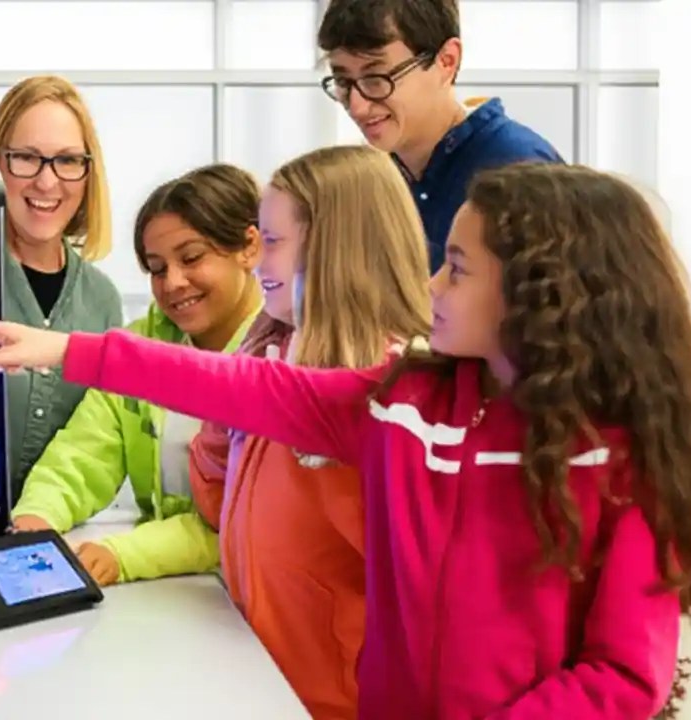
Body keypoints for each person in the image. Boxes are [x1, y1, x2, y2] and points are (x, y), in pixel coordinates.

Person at [0, 163, 691, 718]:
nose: (434, 285)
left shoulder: (631, 462)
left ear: (542, 293)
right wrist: (68, 351)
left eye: (459, 269)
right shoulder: (398, 402)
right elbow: (230, 386)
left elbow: (624, 673)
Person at [188, 145, 430, 719]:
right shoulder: (277, 358)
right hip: (271, 684)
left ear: (334, 251)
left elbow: (415, 594)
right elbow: (218, 501)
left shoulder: (388, 398)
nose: (254, 263)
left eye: (272, 243)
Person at [9, 163, 265, 586]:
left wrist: (122, 555)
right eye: (157, 268)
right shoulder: (139, 345)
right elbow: (83, 453)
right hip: (173, 590)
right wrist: (37, 518)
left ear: (248, 247)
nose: (174, 282)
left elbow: (234, 522)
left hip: (254, 600)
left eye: (191, 257)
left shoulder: (286, 355)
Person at [317, 0, 562, 271]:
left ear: (447, 61)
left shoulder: (518, 168)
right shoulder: (370, 178)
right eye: (342, 82)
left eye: (376, 79)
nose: (356, 106)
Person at [0, 75, 123, 498]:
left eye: (67, 160)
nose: (47, 182)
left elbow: (103, 445)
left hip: (61, 532)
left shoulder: (102, 300)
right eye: (26, 157)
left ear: (87, 172)